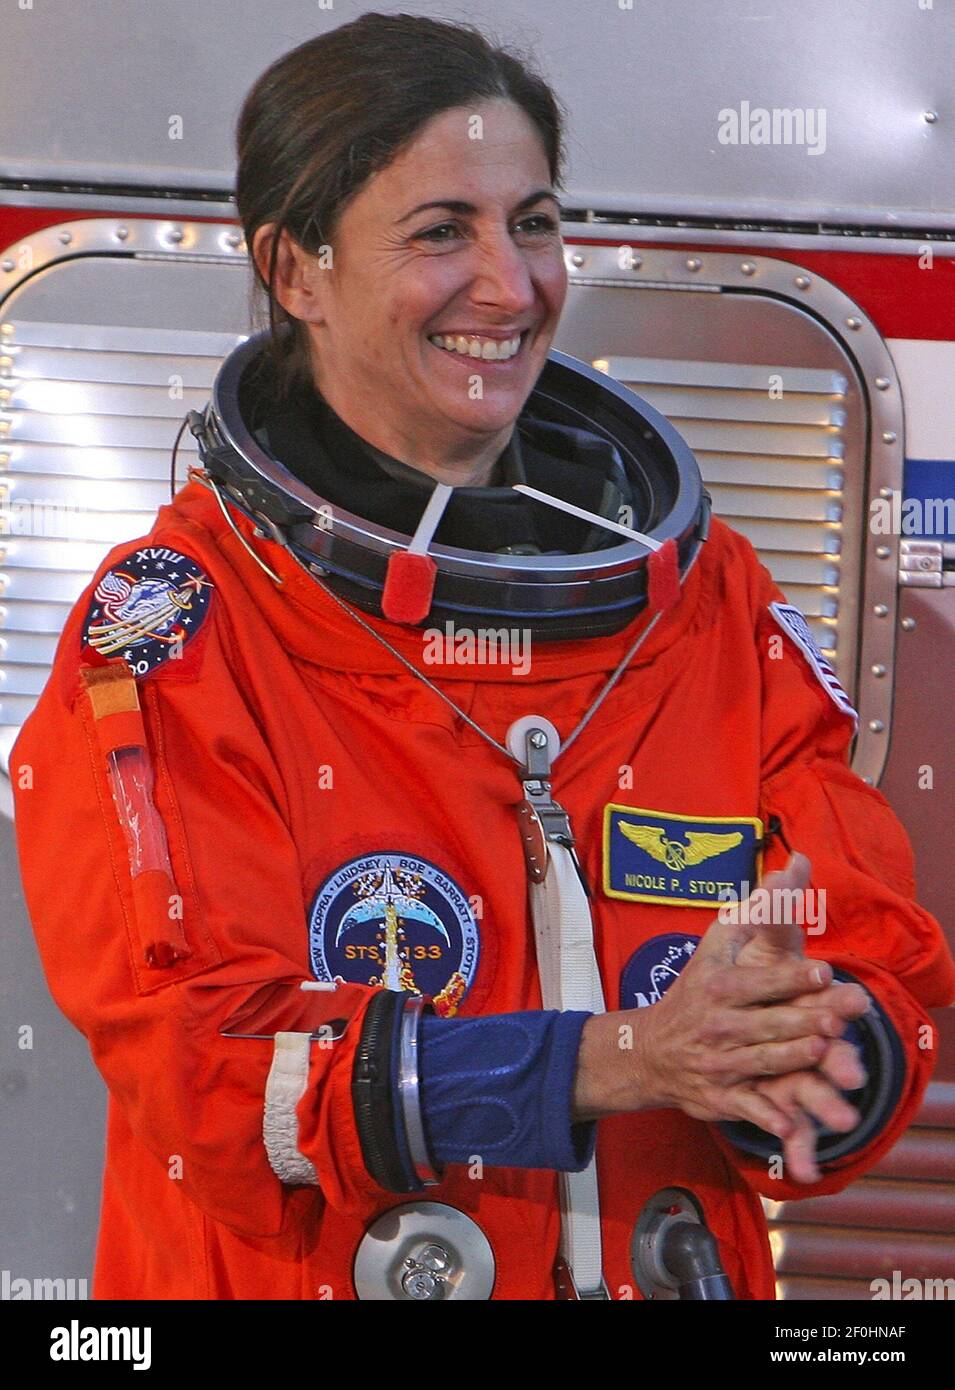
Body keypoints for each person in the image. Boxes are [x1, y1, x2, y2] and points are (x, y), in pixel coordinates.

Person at [12, 13, 955, 1302]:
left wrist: (810, 1042)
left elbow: (870, 934)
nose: (510, 288)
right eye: (441, 231)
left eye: (537, 223)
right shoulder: (186, 632)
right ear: (297, 267)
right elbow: (211, 1062)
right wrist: (620, 1060)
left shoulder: (701, 598)